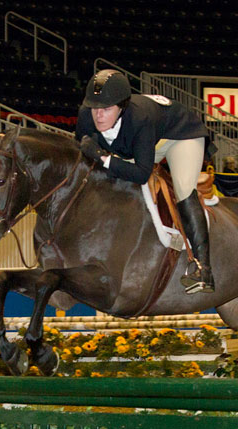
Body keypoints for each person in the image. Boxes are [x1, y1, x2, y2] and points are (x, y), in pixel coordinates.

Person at [76, 69, 215, 294]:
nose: (98, 116)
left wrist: (102, 157)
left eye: (106, 109)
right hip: (146, 139)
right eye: (94, 108)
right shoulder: (86, 115)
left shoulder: (139, 119)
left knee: (182, 188)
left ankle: (203, 270)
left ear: (122, 108)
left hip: (180, 135)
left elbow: (142, 173)